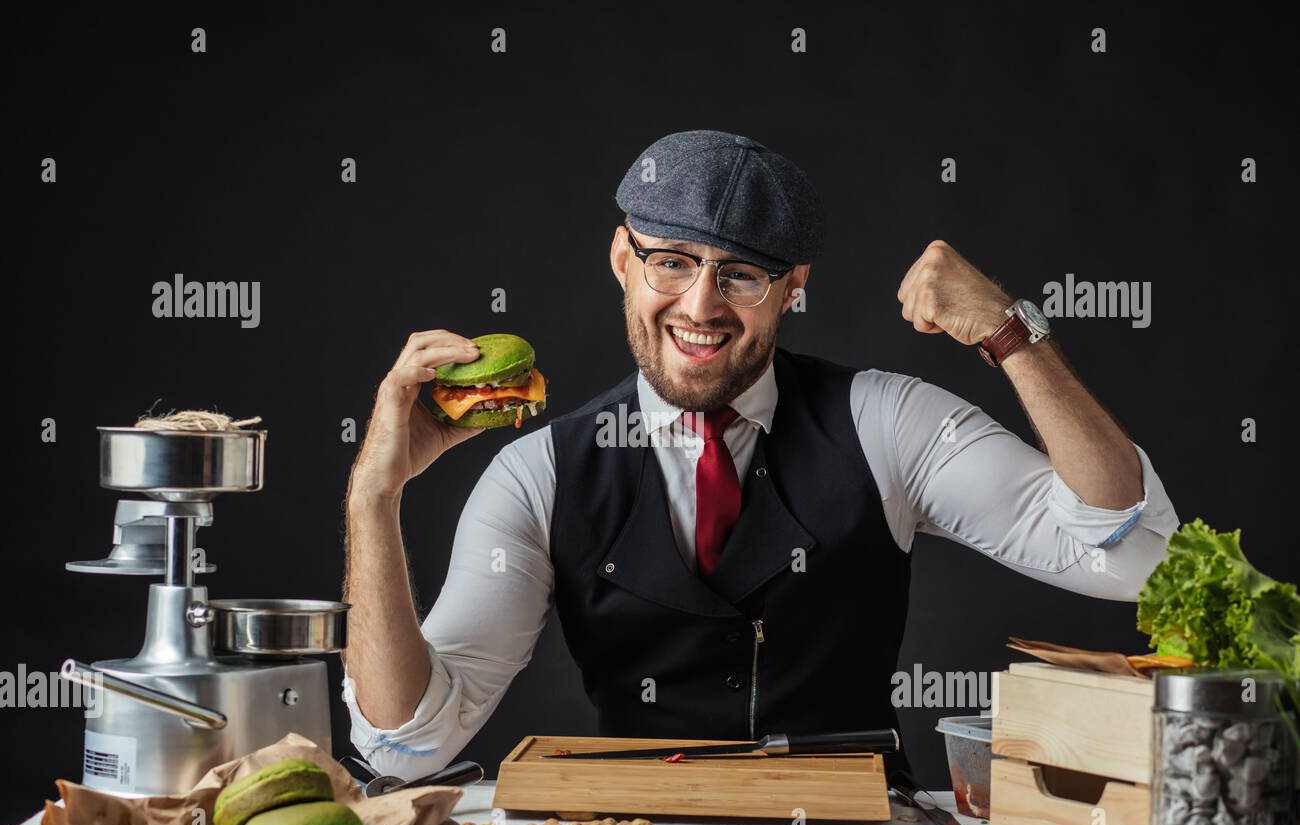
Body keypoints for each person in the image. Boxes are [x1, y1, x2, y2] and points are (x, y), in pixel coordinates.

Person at [340, 130, 1178, 780]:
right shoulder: (540, 474)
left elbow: (1134, 557)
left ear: (794, 285)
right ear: (620, 261)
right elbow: (405, 743)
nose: (700, 306)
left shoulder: (886, 422)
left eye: (741, 275)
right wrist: (373, 499)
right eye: (670, 262)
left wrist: (1011, 334)